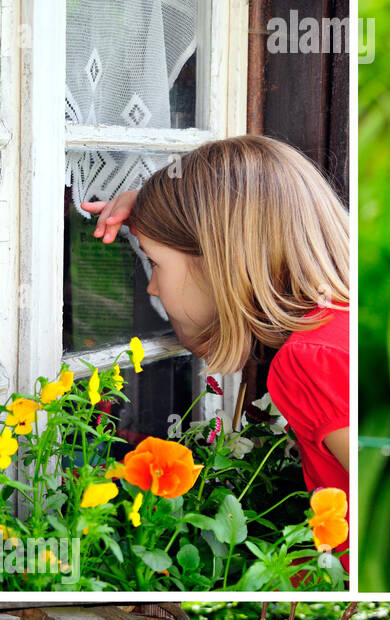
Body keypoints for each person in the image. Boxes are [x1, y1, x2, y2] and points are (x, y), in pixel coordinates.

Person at [81, 135, 351, 498]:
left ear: (216, 266)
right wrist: (155, 211)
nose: (152, 288)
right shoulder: (340, 319)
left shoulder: (311, 361)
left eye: (154, 263)